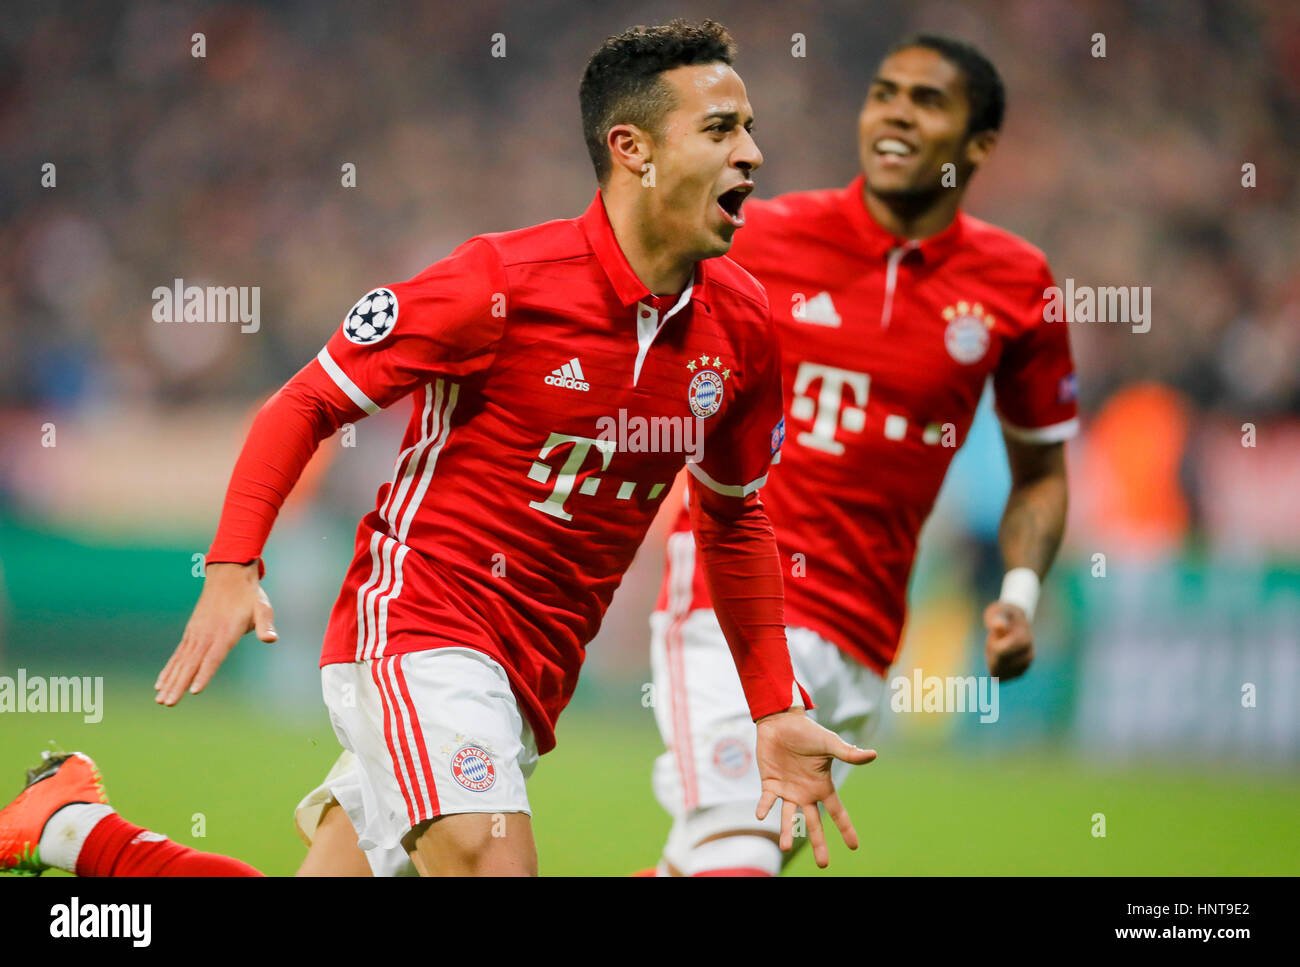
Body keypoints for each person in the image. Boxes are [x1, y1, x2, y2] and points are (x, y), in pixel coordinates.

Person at [1, 19, 873, 879]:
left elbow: (731, 517)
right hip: (425, 621)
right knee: (496, 868)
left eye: (750, 126)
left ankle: (75, 828)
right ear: (632, 148)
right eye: (721, 129)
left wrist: (770, 704)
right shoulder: (499, 285)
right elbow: (305, 401)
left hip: (536, 670)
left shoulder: (745, 324)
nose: (752, 152)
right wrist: (233, 564)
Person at [645, 34, 1078, 876]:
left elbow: (1041, 475)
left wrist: (1020, 592)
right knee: (737, 854)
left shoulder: (1017, 284)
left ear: (979, 145)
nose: (896, 114)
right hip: (733, 601)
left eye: (928, 100)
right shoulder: (754, 236)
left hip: (866, 639)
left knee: (708, 861)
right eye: (884, 92)